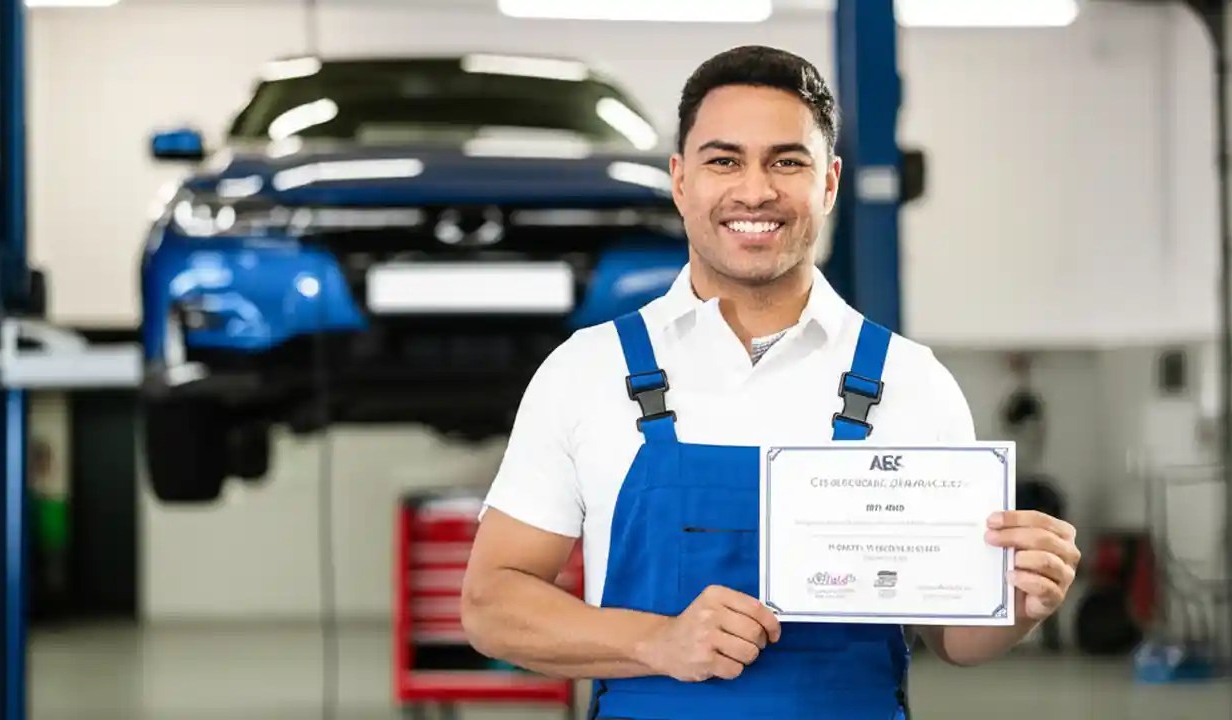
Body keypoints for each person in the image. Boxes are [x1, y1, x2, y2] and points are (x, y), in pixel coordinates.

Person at [460, 45, 1081, 719]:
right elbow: (492, 603)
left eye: (787, 161)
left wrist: (1019, 601)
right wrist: (656, 642)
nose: (754, 191)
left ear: (831, 182)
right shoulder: (587, 370)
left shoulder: (912, 382)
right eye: (724, 160)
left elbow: (957, 639)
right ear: (679, 179)